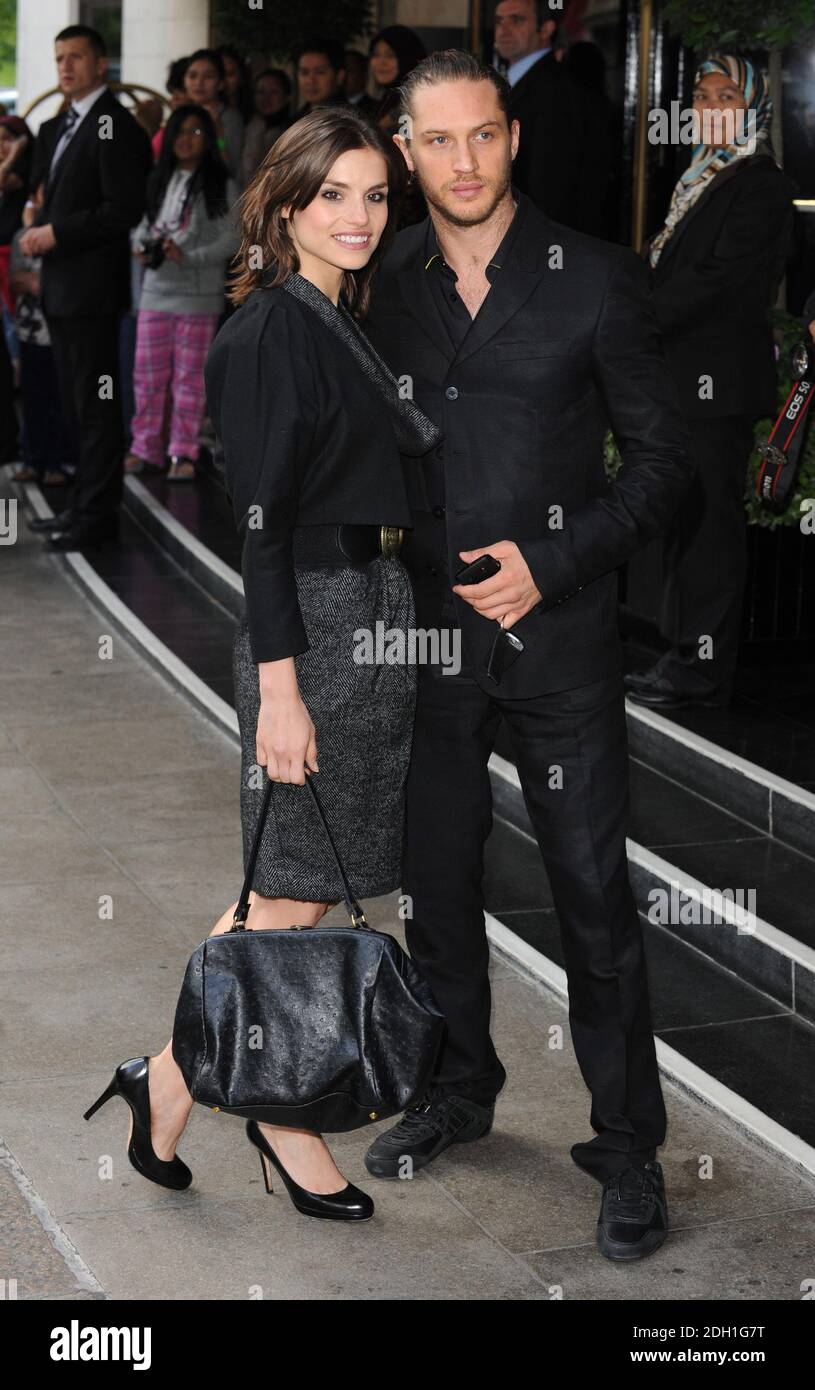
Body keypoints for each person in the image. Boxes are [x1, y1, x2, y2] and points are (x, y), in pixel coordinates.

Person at [360, 49, 696, 1261]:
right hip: (427, 649)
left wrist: (549, 565)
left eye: (482, 136)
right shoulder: (379, 278)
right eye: (436, 141)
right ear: (405, 149)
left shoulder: (595, 279)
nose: (463, 162)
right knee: (438, 890)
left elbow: (665, 469)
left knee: (593, 901)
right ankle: (456, 1090)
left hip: (558, 647)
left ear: (513, 137)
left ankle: (626, 1149)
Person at [82, 106, 442, 1223]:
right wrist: (281, 685)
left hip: (364, 613)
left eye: (376, 194)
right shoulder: (274, 329)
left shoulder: (339, 314)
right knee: (286, 887)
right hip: (316, 628)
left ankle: (172, 1083)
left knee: (307, 881)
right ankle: (274, 1117)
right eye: (332, 194)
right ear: (282, 204)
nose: (359, 216)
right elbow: (259, 526)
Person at [625, 56, 795, 710]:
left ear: (751, 106)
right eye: (700, 95)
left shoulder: (762, 184)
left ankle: (700, 668)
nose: (708, 106)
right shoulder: (699, 176)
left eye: (725, 95)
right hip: (680, 374)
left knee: (708, 531)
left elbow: (717, 282)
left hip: (715, 381)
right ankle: (676, 652)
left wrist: (633, 316)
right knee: (683, 521)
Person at [22, 23, 152, 552]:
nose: (65, 66)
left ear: (101, 64)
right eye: (59, 58)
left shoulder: (114, 125)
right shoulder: (62, 125)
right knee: (78, 405)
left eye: (76, 56)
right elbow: (51, 193)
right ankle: (80, 507)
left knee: (97, 407)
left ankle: (97, 517)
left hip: (93, 291)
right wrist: (38, 212)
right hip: (60, 287)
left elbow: (123, 209)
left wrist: (57, 231)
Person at [124, 106, 238, 483]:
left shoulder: (221, 183)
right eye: (179, 131)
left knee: (189, 380)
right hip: (155, 292)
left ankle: (182, 452)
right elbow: (142, 226)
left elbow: (232, 239)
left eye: (196, 132)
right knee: (147, 377)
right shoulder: (158, 180)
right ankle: (144, 447)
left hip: (197, 297)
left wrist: (189, 257)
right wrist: (143, 245)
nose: (187, 139)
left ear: (209, 138)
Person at [495, 0, 610, 235]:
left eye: (517, 20)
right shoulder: (511, 84)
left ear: (546, 29)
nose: (503, 29)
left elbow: (552, 185)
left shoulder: (556, 90)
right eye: (499, 21)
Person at [9, 187, 75, 485]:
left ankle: (58, 462)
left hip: (63, 331)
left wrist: (39, 282)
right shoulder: (23, 234)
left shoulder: (68, 234)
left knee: (60, 398)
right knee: (32, 397)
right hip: (30, 330)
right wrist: (39, 282)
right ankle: (33, 460)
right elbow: (16, 281)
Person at [182, 49, 244, 185]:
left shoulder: (230, 119)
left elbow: (231, 167)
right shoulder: (184, 115)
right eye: (192, 76)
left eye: (208, 76)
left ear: (221, 83)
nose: (199, 83)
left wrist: (219, 135)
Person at [240, 68, 293, 187]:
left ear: (286, 96)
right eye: (260, 92)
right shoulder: (248, 127)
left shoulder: (292, 132)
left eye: (273, 92)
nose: (266, 98)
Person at [294, 38, 348, 116]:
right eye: (304, 73)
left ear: (340, 76)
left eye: (320, 72)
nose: (310, 80)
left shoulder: (351, 122)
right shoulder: (294, 122)